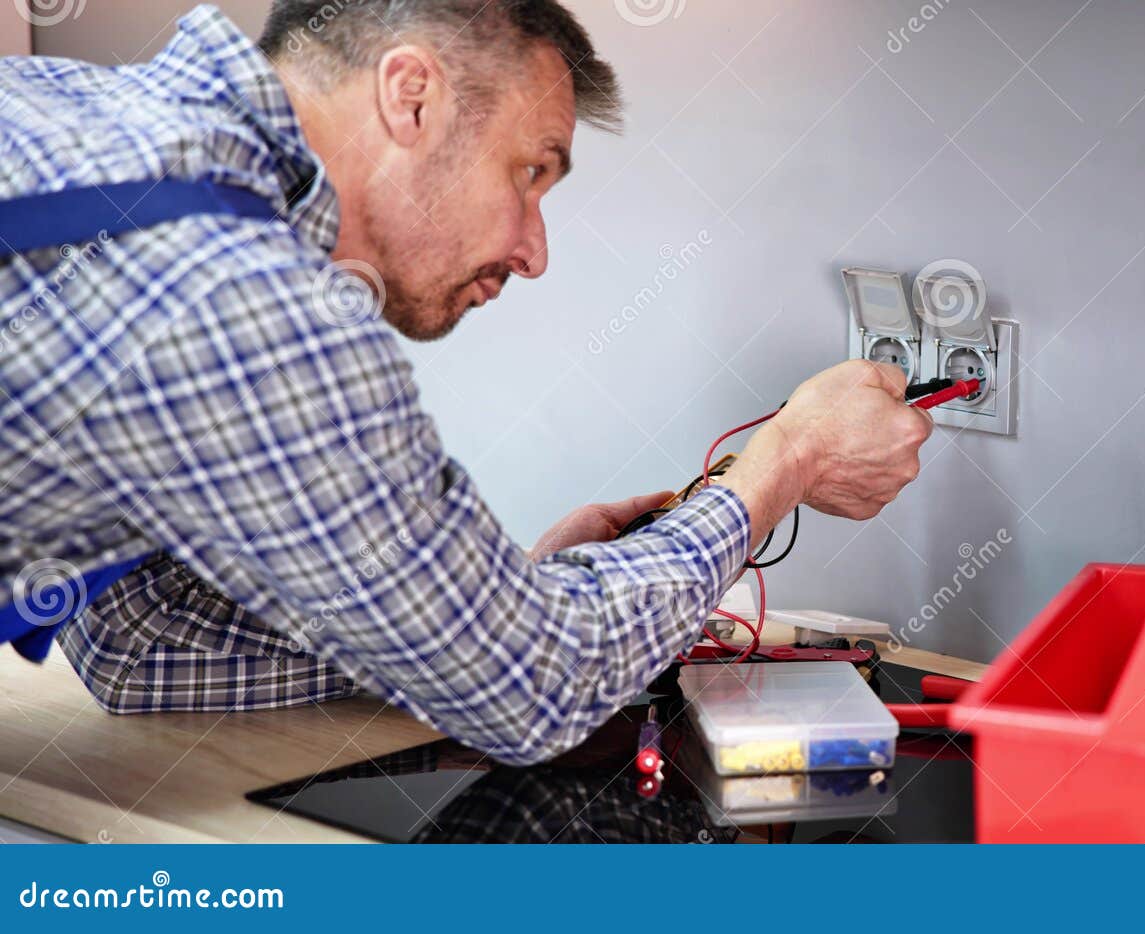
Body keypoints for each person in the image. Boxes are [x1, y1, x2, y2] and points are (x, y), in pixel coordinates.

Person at [0, 2, 931, 765]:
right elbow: (533, 691)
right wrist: (784, 462)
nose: (534, 252)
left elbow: (146, 640)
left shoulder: (73, 115)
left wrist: (471, 613)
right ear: (410, 97)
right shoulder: (242, 297)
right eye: (529, 172)